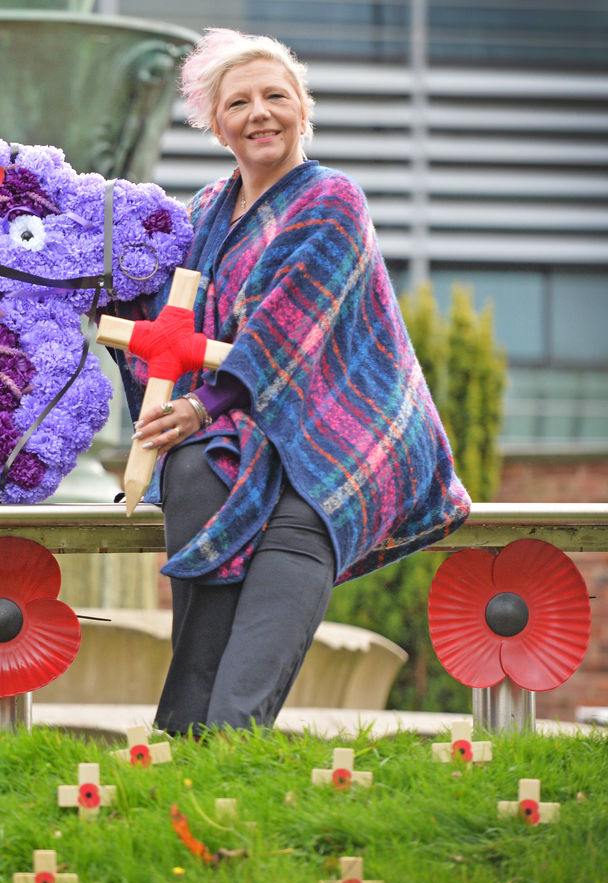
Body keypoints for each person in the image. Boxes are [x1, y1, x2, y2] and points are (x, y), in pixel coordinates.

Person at [114, 28, 470, 737]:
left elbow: (289, 325)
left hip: (339, 428)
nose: (259, 113)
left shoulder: (332, 199)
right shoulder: (203, 212)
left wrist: (200, 406)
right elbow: (166, 320)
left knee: (299, 526)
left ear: (303, 109)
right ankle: (183, 741)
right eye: (238, 103)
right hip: (234, 432)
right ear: (217, 126)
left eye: (276, 96)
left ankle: (234, 740)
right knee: (193, 475)